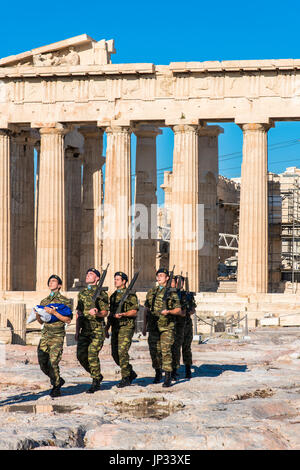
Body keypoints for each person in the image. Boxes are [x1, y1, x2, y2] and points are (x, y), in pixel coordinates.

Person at [143, 268, 181, 388]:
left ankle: (168, 376)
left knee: (166, 351)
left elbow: (178, 310)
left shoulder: (172, 292)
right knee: (154, 351)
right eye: (158, 275)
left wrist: (169, 311)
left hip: (167, 326)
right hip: (154, 326)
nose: (159, 277)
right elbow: (146, 309)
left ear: (167, 278)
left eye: (162, 275)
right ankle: (158, 372)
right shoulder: (151, 291)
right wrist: (144, 326)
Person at [36, 275, 72, 398]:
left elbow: (67, 320)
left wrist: (54, 312)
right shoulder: (44, 301)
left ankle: (56, 386)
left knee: (53, 362)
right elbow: (41, 322)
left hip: (57, 335)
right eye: (50, 281)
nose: (51, 283)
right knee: (42, 363)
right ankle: (58, 379)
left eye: (54, 281)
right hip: (45, 335)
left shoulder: (65, 301)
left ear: (60, 285)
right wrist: (37, 315)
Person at [76, 268, 109, 393]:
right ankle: (97, 374)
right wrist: (77, 331)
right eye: (87, 273)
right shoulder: (82, 293)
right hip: (85, 329)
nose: (88, 275)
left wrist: (97, 313)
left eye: (91, 274)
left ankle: (95, 381)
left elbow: (105, 312)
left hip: (96, 330)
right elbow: (79, 312)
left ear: (97, 278)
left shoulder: (102, 293)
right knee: (80, 355)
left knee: (92, 353)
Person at [106, 272, 139, 388]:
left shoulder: (131, 295)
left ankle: (125, 378)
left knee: (122, 352)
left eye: (118, 279)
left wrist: (124, 314)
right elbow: (111, 314)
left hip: (126, 326)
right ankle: (130, 372)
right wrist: (107, 328)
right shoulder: (113, 296)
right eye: (115, 279)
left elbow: (134, 311)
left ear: (124, 281)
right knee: (115, 354)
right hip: (115, 327)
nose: (115, 281)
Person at [171, 275, 188, 381]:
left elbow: (185, 311)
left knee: (176, 349)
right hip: (168, 324)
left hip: (180, 325)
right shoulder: (168, 294)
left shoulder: (183, 295)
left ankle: (174, 370)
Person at [182, 290, 197, 379]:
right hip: (175, 325)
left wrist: (185, 312)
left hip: (186, 324)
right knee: (174, 350)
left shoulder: (187, 296)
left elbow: (193, 310)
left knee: (186, 348)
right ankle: (173, 371)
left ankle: (188, 369)